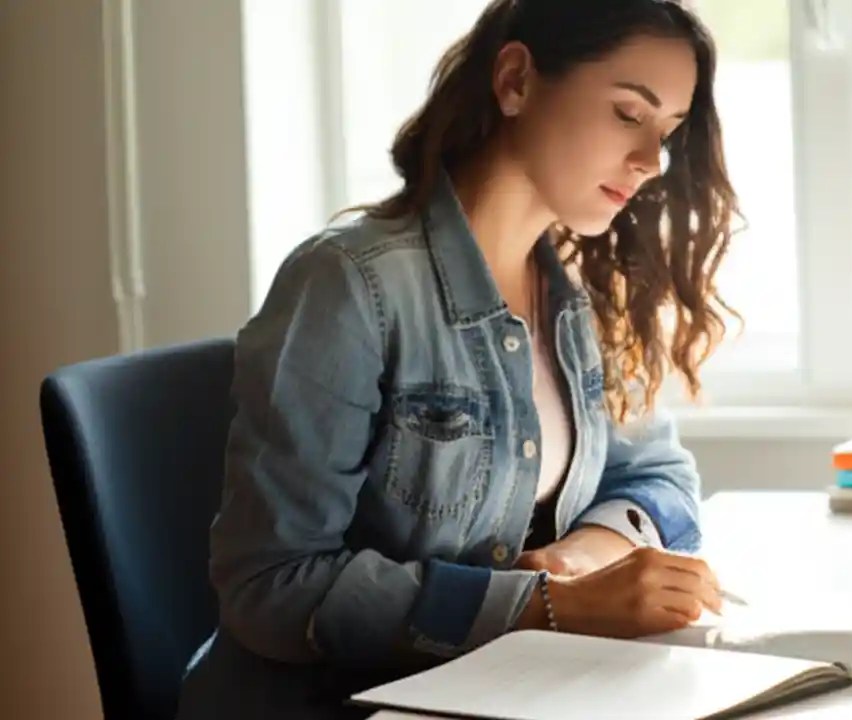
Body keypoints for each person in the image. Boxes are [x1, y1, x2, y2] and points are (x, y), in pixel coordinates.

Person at [176, 1, 742, 717]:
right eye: (629, 115)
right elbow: (271, 585)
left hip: (507, 694)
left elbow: (655, 473)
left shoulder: (589, 294)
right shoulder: (351, 286)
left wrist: (585, 559)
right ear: (515, 81)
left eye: (667, 133)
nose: (651, 162)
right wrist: (543, 605)